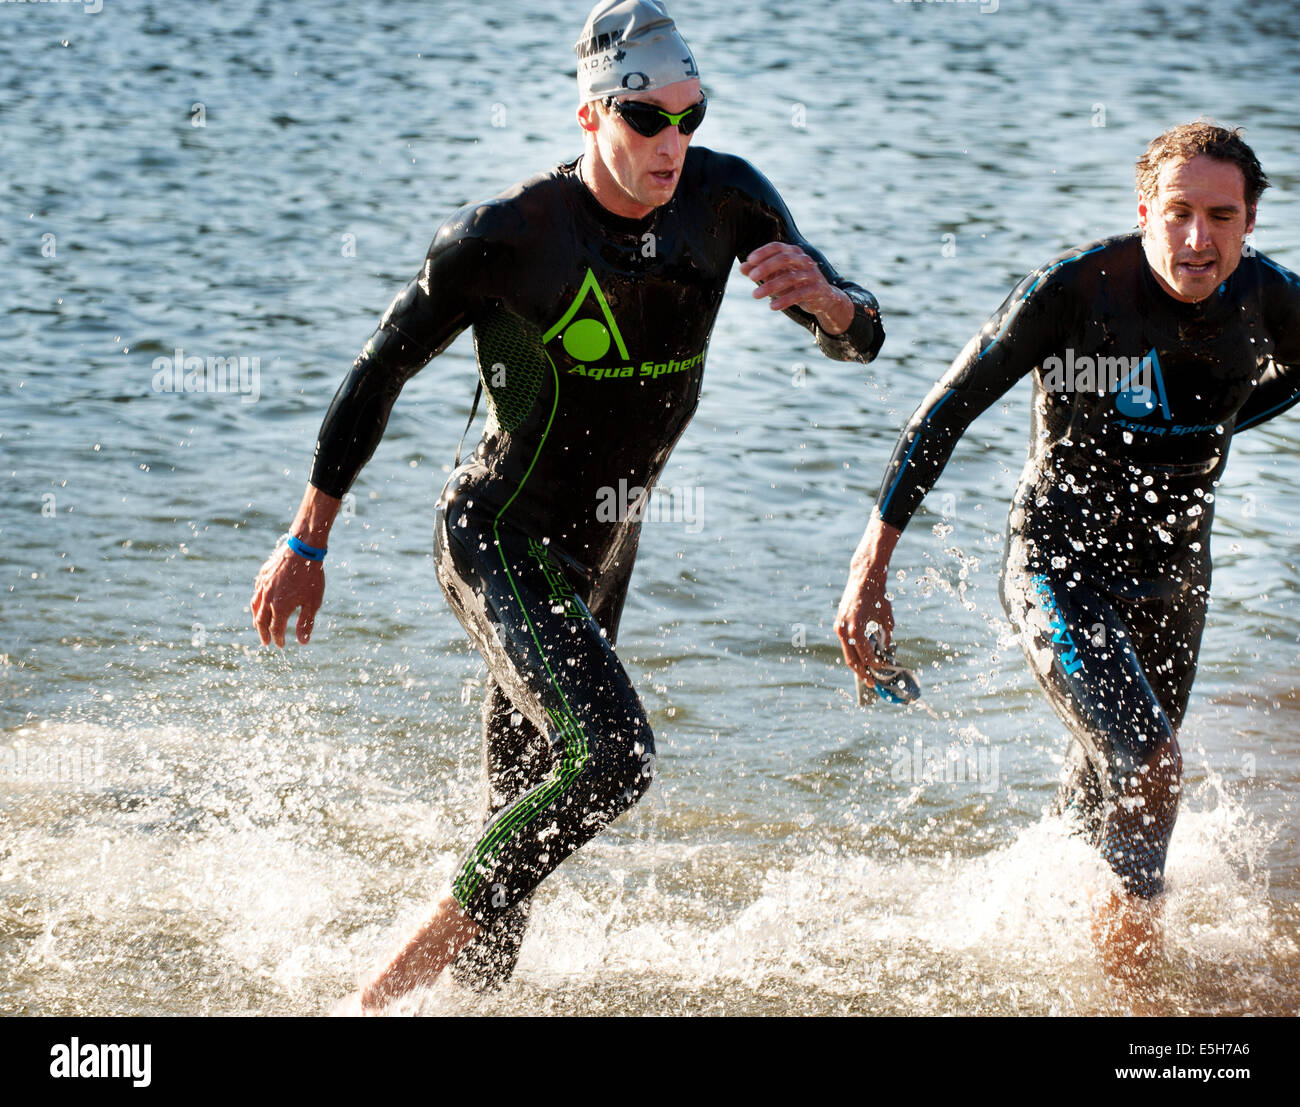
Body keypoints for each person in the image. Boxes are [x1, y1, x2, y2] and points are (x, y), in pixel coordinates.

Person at [252, 0, 883, 1011]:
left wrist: (832, 304)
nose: (672, 142)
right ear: (592, 117)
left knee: (530, 810)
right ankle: (371, 1000)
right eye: (646, 121)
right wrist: (306, 539)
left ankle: (472, 1003)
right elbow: (376, 374)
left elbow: (862, 340)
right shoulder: (507, 236)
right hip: (499, 535)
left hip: (604, 547)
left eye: (691, 115)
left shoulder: (728, 202)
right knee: (612, 758)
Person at [835, 121, 1300, 979]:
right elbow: (944, 413)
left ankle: (1041, 932)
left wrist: (1229, 417)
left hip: (1175, 578)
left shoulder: (1270, 299)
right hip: (1059, 564)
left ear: (1251, 221)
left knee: (1115, 777)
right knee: (1152, 765)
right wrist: (871, 567)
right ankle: (1130, 992)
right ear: (1144, 210)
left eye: (1222, 218)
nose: (1199, 240)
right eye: (1179, 213)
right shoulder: (1077, 291)